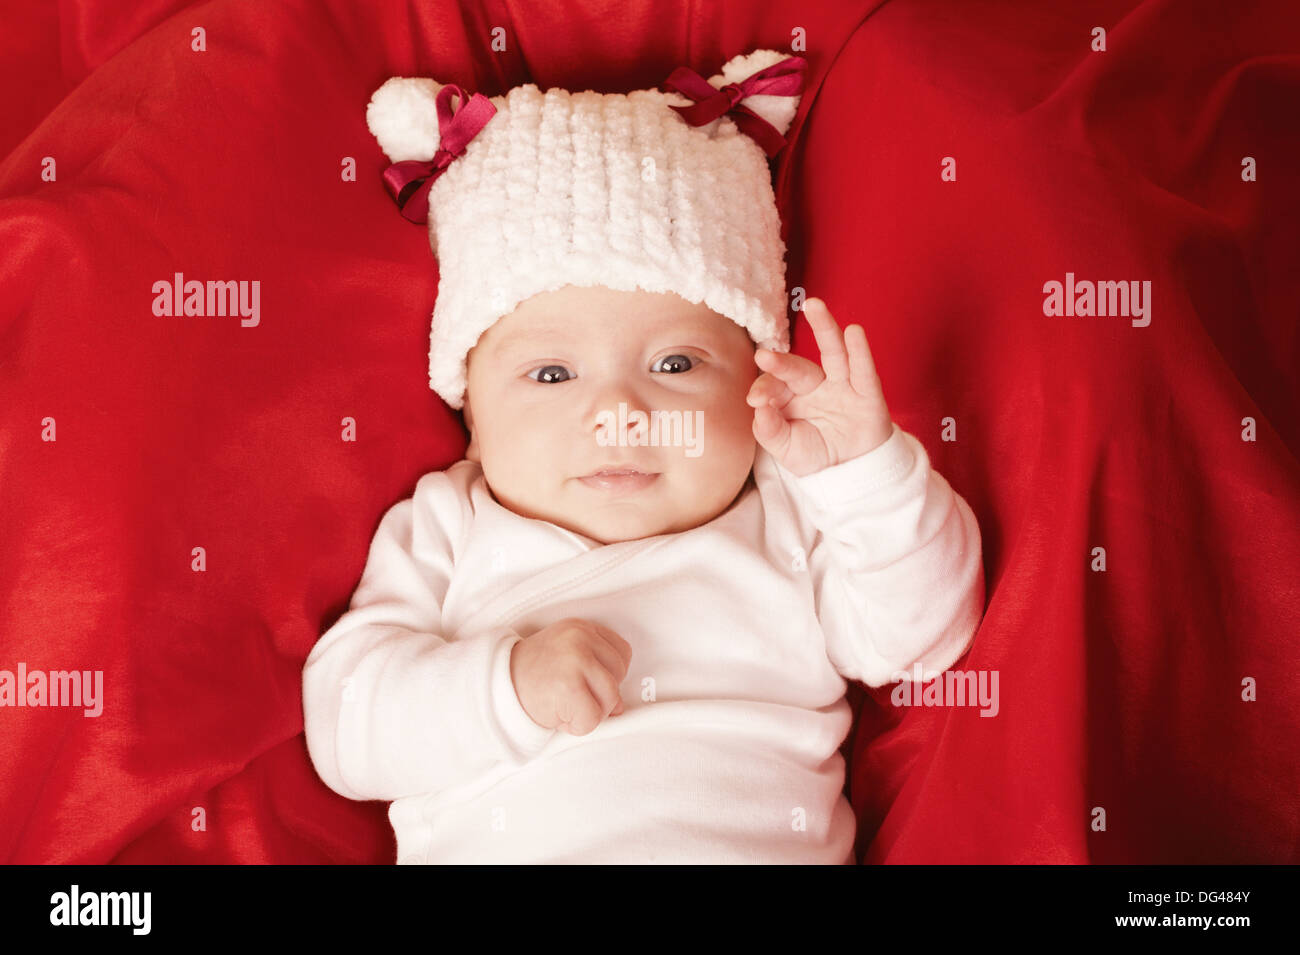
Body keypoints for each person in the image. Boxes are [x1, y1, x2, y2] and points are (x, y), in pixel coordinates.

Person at [301, 48, 985, 864]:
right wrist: (505, 687)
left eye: (676, 365)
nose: (620, 413)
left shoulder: (789, 514)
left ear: (753, 382)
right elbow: (348, 724)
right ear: (472, 416)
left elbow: (921, 641)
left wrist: (867, 477)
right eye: (552, 374)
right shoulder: (450, 526)